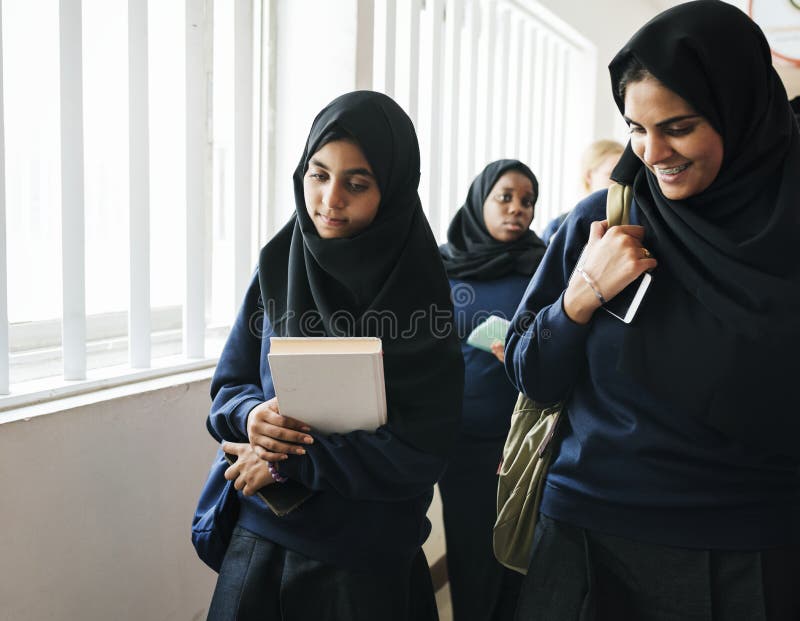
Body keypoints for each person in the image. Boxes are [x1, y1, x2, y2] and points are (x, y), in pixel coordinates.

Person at [505, 1, 800, 619]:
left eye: (679, 126)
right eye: (636, 127)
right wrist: (580, 296)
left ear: (741, 111)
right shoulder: (603, 220)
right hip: (588, 536)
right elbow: (531, 372)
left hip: (748, 544)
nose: (652, 151)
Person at [204, 91, 464, 621]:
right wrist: (252, 417)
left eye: (357, 183)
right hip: (262, 542)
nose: (329, 199)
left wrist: (286, 460)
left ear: (392, 189)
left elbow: (419, 451)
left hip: (363, 560)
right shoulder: (278, 265)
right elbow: (229, 388)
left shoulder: (419, 294)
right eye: (318, 175)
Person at [437, 160, 546, 621]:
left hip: (526, 439)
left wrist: (525, 353)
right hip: (461, 440)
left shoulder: (544, 266)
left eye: (527, 201)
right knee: (471, 553)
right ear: (481, 199)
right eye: (505, 197)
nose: (517, 208)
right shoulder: (442, 264)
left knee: (522, 557)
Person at [540, 139, 624, 244]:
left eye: (626, 175)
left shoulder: (634, 222)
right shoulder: (558, 227)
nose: (621, 182)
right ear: (589, 176)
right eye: (613, 174)